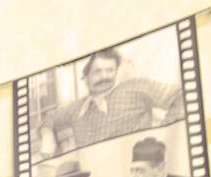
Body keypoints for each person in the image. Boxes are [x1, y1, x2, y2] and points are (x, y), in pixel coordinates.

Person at [46, 47, 184, 154]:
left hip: (138, 174)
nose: (104, 76)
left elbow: (180, 95)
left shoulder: (136, 87)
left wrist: (164, 133)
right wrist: (47, 135)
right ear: (85, 78)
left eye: (110, 70)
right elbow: (49, 118)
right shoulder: (75, 108)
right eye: (97, 72)